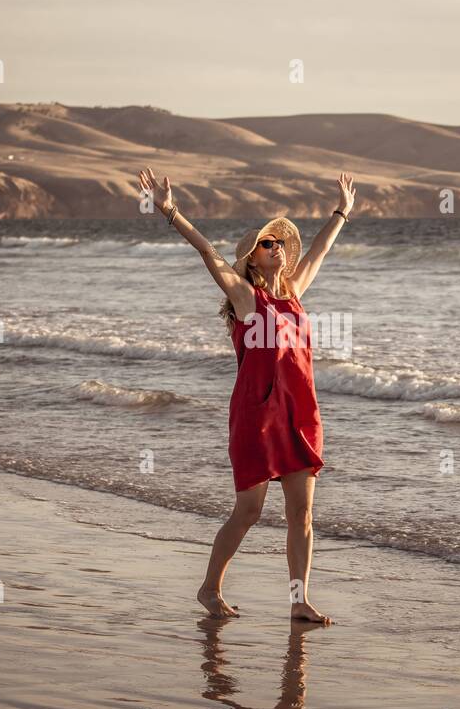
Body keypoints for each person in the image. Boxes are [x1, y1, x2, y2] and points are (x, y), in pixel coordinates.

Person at [136, 168, 356, 623]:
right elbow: (207, 252)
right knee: (250, 511)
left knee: (303, 515)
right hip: (257, 416)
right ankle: (209, 588)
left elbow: (320, 250)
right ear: (254, 259)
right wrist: (169, 210)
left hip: (299, 415)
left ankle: (299, 601)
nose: (278, 247)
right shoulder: (245, 298)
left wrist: (341, 212)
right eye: (268, 243)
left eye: (279, 243)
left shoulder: (294, 292)